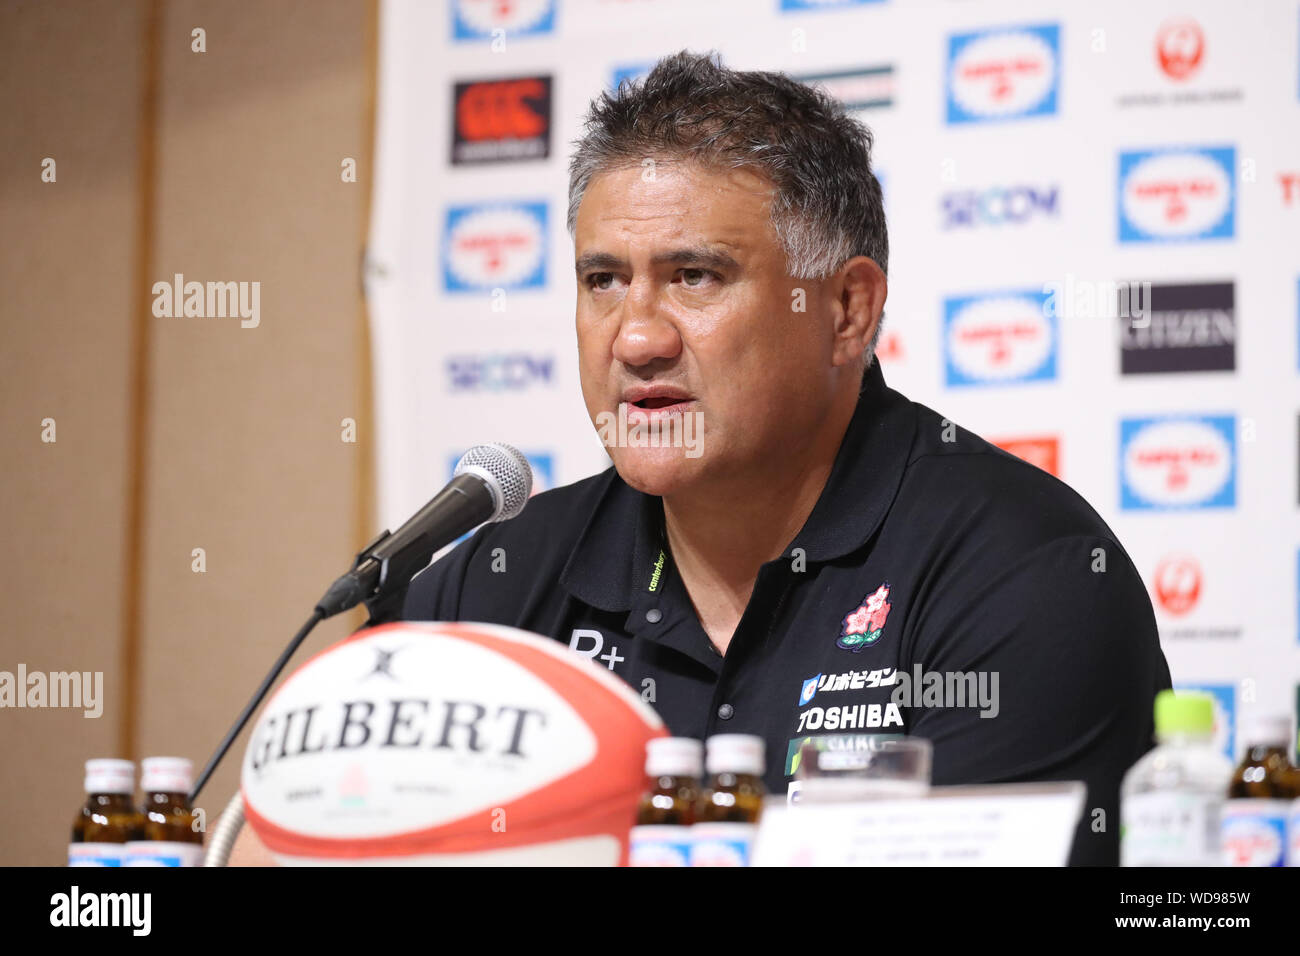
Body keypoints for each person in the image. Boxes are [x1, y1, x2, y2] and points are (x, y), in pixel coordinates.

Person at [238, 51, 1171, 867]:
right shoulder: (491, 587)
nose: (636, 337)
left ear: (845, 311)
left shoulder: (1026, 576)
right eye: (603, 280)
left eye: (695, 277)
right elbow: (277, 844)